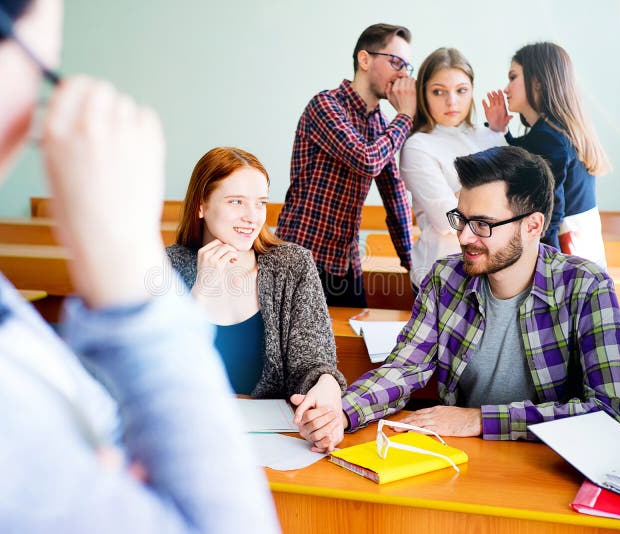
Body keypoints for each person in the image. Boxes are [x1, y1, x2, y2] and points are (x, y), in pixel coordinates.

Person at [0, 1, 280, 531]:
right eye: (41, 72)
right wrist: (125, 259)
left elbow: (97, 419)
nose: (38, 121)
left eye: (259, 202)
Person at [298, 146, 620, 449]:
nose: (463, 236)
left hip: (550, 460)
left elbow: (614, 415)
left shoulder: (587, 286)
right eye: (461, 219)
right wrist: (340, 413)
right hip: (465, 456)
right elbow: (404, 368)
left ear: (532, 227)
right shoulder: (445, 278)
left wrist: (479, 419)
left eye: (482, 224)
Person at [166, 147, 346, 449]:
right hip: (186, 439)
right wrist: (202, 292)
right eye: (236, 201)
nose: (252, 217)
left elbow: (314, 364)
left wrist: (326, 385)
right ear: (201, 205)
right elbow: (157, 370)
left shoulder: (293, 265)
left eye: (260, 203)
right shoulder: (166, 267)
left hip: (274, 445)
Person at [276, 23, 417, 307]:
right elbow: (366, 160)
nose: (403, 74)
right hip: (301, 258)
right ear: (365, 59)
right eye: (396, 62)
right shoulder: (325, 105)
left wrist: (413, 268)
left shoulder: (380, 124)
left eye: (408, 67)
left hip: (343, 264)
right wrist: (405, 116)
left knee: (354, 344)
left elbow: (396, 199)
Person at [483, 42, 610, 267]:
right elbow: (528, 159)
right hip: (584, 251)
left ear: (537, 81)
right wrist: (501, 132)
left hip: (564, 259)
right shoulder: (558, 132)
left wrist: (544, 273)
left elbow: (549, 217)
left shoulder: (548, 139)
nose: (505, 88)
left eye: (513, 77)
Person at [400, 47, 505, 289]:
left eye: (461, 90)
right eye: (439, 92)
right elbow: (448, 221)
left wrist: (460, 196)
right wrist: (493, 198)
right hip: (441, 277)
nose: (452, 101)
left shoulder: (491, 136)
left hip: (493, 276)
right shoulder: (418, 146)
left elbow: (516, 205)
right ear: (423, 94)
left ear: (471, 92)